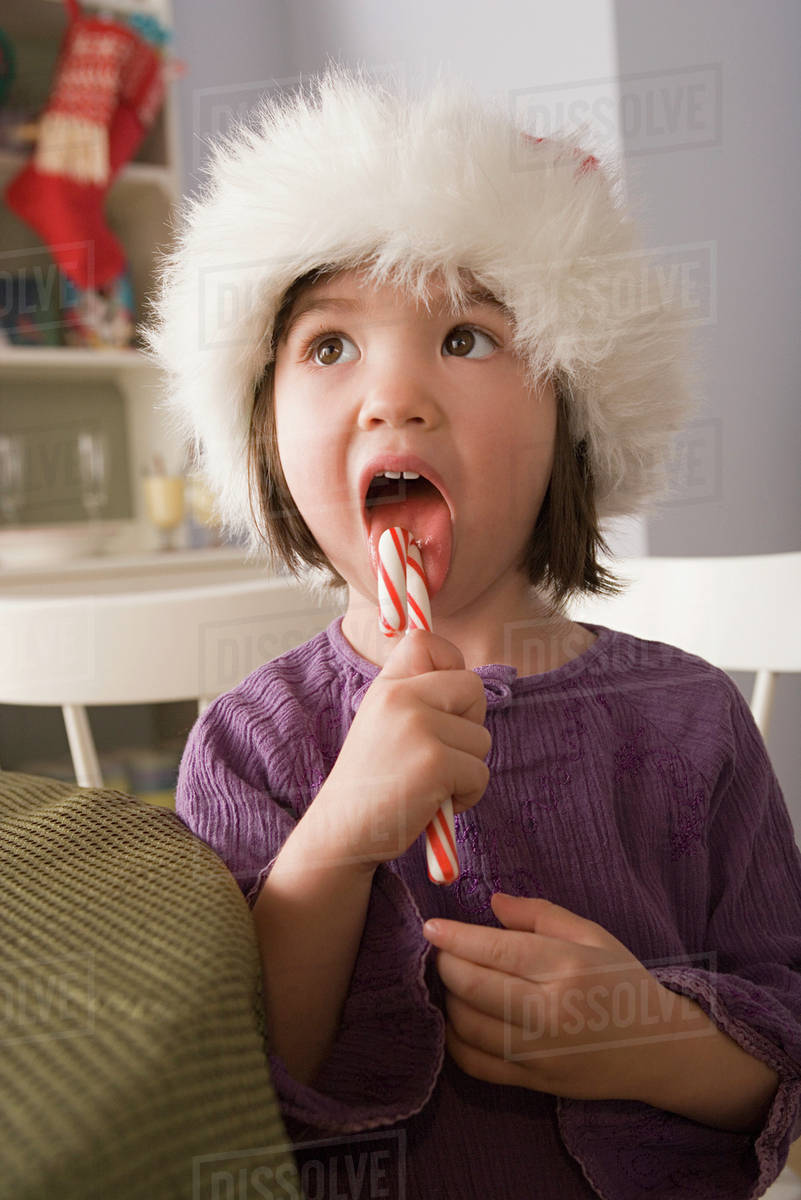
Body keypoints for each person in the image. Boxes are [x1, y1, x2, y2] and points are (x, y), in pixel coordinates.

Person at [145, 64, 801, 1198]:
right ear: (262, 436)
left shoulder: (691, 723)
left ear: (571, 417)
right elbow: (237, 1082)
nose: (394, 396)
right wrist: (337, 841)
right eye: (330, 347)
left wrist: (651, 1038)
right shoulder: (248, 745)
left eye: (466, 338)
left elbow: (783, 1037)